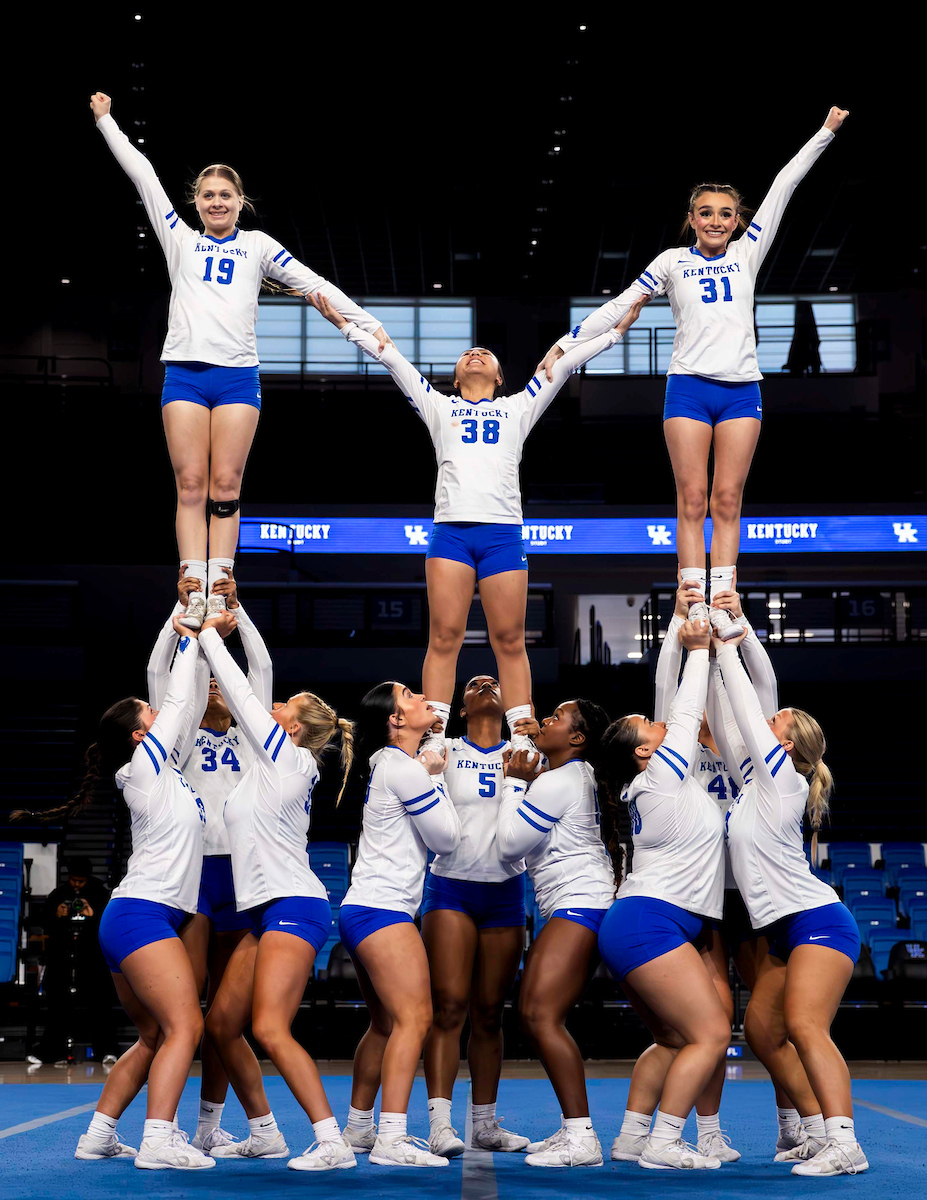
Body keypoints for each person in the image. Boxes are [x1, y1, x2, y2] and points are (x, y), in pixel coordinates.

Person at [540, 107, 850, 636]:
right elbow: (620, 305)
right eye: (705, 212)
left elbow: (784, 184)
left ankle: (723, 593)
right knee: (692, 498)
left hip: (741, 391)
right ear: (691, 219)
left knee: (728, 498)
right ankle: (691, 596)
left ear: (738, 221)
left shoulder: (748, 252)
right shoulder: (670, 262)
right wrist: (566, 343)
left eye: (725, 213)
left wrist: (825, 133)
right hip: (687, 389)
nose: (715, 220)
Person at [89, 91, 389, 627]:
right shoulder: (179, 238)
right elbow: (143, 174)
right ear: (196, 202)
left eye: (225, 195)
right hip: (184, 374)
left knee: (225, 485)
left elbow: (312, 283)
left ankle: (221, 582)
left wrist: (365, 322)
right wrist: (107, 122)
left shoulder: (258, 246)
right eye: (208, 195)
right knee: (190, 484)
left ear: (240, 200)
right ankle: (192, 583)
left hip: (236, 378)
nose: (216, 202)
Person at [308, 289, 648, 762]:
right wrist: (345, 325)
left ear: (500, 377)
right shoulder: (437, 405)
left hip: (502, 535)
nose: (475, 353)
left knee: (509, 640)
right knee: (443, 638)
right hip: (450, 533)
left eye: (485, 353)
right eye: (468, 353)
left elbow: (566, 360)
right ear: (454, 377)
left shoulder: (519, 406)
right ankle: (433, 735)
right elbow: (391, 357)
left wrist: (615, 333)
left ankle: (523, 735)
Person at [612, 577, 821, 1164]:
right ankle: (705, 1132)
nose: (708, 705)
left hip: (752, 892)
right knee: (713, 1017)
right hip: (699, 894)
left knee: (771, 1021)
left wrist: (740, 626)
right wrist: (681, 626)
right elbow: (666, 682)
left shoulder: (745, 745)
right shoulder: (674, 748)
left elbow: (765, 688)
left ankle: (791, 1126)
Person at [198, 610, 357, 1172]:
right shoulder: (267, 764)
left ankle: (332, 1141)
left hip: (294, 904)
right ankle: (264, 1132)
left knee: (268, 1026)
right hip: (264, 910)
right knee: (220, 1024)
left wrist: (210, 634)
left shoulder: (287, 758)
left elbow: (243, 689)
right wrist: (236, 613)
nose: (274, 704)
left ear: (291, 729)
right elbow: (253, 682)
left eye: (284, 705)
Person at [710, 628, 868, 1176]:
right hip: (784, 930)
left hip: (817, 920)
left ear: (787, 746)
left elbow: (747, 708)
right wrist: (722, 648)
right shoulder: (757, 783)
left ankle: (845, 1143)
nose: (767, 716)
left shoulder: (783, 781)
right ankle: (817, 1130)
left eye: (777, 719)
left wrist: (725, 646)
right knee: (760, 1031)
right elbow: (732, 720)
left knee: (804, 1026)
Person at [68, 611, 215, 1169]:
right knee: (185, 1025)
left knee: (153, 1034)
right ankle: (157, 1140)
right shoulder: (146, 766)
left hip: (135, 915)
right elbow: (174, 702)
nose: (159, 713)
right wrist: (191, 636)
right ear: (139, 734)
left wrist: (179, 626)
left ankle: (99, 1135)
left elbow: (181, 701)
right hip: (142, 916)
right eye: (147, 713)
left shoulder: (164, 769)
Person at [594, 619, 730, 1171]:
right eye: (648, 725)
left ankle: (632, 1138)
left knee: (675, 1039)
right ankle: (665, 1142)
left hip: (642, 923)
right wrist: (697, 650)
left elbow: (675, 708)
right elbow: (685, 710)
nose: (661, 723)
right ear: (646, 751)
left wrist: (679, 624)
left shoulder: (661, 779)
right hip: (649, 924)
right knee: (712, 1034)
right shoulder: (661, 778)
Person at [146, 565, 271, 1152]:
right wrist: (181, 617)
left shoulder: (255, 736)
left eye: (224, 680)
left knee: (227, 1014)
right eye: (209, 681)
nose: (217, 685)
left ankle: (208, 1125)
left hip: (242, 877)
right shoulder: (178, 738)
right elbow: (158, 674)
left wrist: (236, 613)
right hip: (194, 875)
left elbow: (261, 670)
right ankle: (166, 1124)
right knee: (185, 1006)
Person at [339, 682, 462, 1167]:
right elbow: (447, 840)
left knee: (385, 1025)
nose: (421, 697)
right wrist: (435, 777)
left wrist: (426, 766)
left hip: (362, 909)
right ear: (395, 719)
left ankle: (359, 1128)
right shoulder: (405, 770)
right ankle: (391, 1138)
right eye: (409, 695)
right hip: (384, 911)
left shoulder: (389, 763)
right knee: (416, 1019)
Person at [497, 699, 614, 1167]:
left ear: (577, 738)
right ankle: (576, 1130)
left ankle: (582, 1138)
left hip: (580, 902)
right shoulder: (575, 774)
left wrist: (514, 782)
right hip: (582, 901)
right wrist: (532, 749)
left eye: (556, 718)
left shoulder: (557, 781)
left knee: (539, 1014)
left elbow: (509, 846)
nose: (545, 720)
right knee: (538, 1014)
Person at [420, 675, 531, 1158]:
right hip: (451, 887)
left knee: (489, 1013)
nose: (486, 683)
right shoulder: (442, 747)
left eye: (494, 682)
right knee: (448, 1007)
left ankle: (485, 1123)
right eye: (474, 684)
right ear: (461, 708)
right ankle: (440, 1125)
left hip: (506, 891)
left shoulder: (525, 752)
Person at [29, 857, 118, 1067]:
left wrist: (93, 915)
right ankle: (52, 1052)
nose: (76, 885)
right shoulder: (59, 894)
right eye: (73, 880)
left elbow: (110, 924)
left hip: (93, 960)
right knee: (56, 1007)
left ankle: (107, 1051)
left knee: (100, 1007)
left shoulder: (100, 893)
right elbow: (44, 922)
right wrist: (56, 914)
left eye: (81, 881)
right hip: (61, 958)